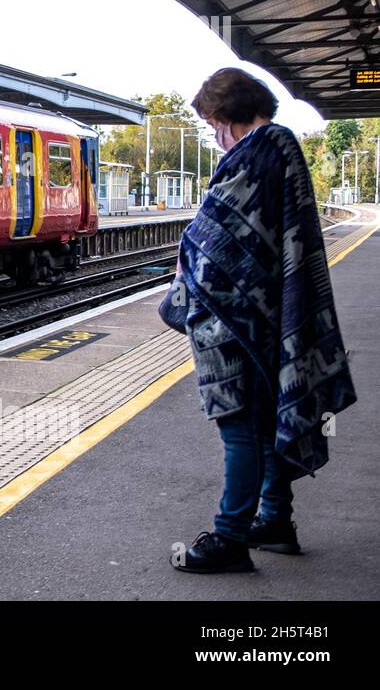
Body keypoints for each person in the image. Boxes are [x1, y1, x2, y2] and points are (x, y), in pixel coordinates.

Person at [169, 68, 356, 573]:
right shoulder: (282, 148)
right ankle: (274, 521)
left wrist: (185, 264)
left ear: (228, 116)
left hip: (237, 322)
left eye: (212, 124)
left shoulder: (254, 155)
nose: (213, 135)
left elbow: (211, 240)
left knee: (240, 429)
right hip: (273, 315)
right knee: (270, 415)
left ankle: (230, 538)